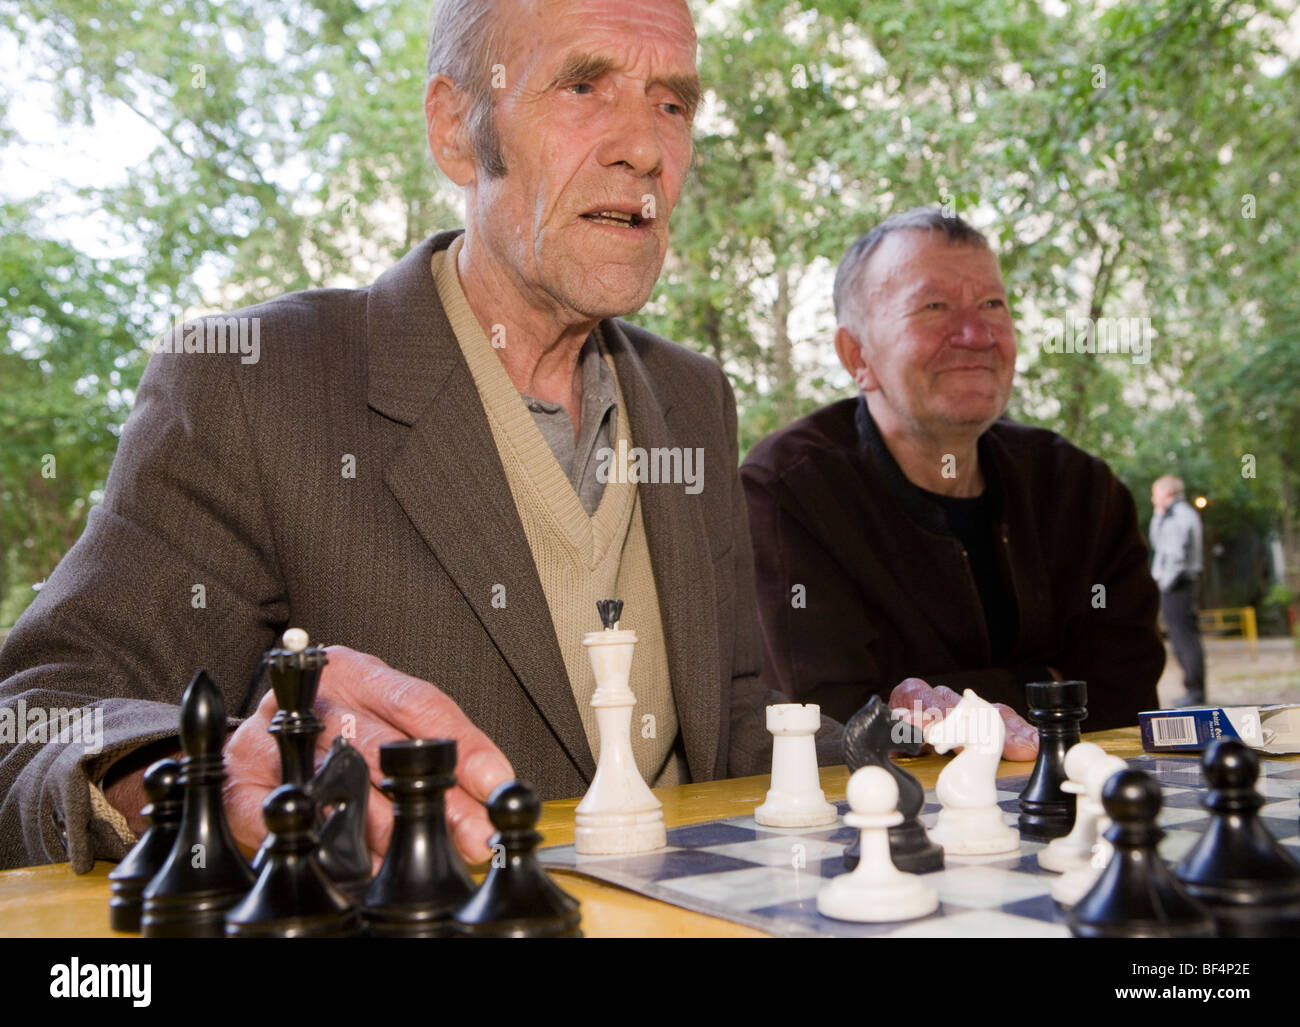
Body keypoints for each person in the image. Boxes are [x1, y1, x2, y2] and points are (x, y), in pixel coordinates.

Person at [0, 0, 773, 873]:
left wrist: (894, 739)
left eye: (672, 101)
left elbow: (741, 720)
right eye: (584, 84)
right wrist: (195, 779)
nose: (644, 147)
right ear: (454, 130)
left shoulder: (694, 397)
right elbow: (38, 713)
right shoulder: (252, 384)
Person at [741, 208, 1165, 751]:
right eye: (934, 306)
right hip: (886, 824)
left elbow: (1125, 697)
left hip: (1069, 812)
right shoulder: (789, 492)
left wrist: (933, 703)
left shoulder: (1081, 490)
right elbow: (833, 719)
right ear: (857, 356)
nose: (975, 334)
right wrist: (1046, 683)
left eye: (992, 304)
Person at [1150, 475, 1206, 706]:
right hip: (1178, 583)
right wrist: (1157, 514)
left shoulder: (1178, 516)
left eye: (1155, 494)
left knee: (1184, 638)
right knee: (1181, 636)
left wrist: (1162, 582)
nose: (1153, 499)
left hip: (1177, 584)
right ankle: (1193, 690)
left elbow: (1174, 555)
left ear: (1167, 493)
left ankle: (1195, 692)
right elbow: (1159, 544)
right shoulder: (1172, 514)